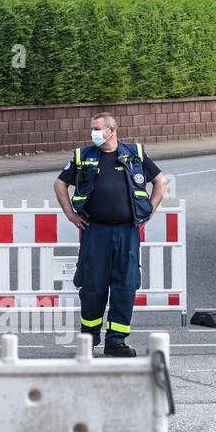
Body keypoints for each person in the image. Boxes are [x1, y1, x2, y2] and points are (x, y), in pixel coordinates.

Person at [53, 113, 164, 357]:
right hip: (96, 231)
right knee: (93, 286)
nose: (91, 132)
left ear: (111, 131)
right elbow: (60, 184)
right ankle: (89, 339)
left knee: (125, 286)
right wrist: (71, 215)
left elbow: (160, 181)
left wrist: (150, 210)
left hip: (127, 230)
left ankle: (116, 341)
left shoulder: (134, 153)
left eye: (96, 128)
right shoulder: (84, 156)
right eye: (92, 128)